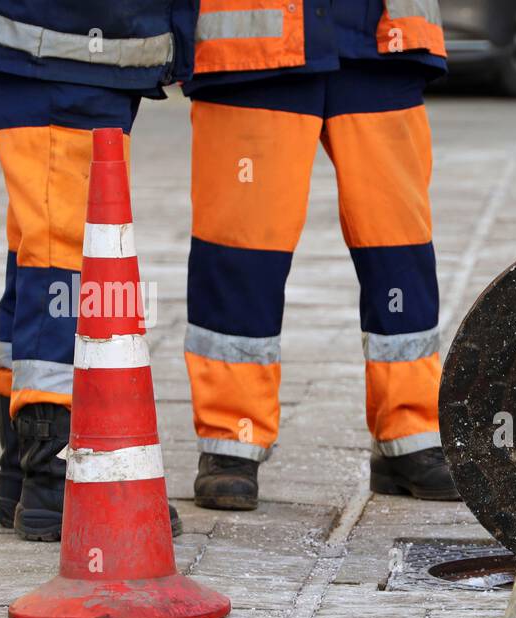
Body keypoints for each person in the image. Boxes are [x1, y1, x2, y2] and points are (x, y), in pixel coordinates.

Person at [183, 0, 460, 509]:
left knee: (399, 251)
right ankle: (231, 441)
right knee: (240, 254)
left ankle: (411, 433)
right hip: (251, 51)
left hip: (381, 46)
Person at [0, 0, 194, 539]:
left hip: (61, 36)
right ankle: (58, 475)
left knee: (42, 238)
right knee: (69, 254)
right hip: (68, 35)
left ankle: (24, 475)